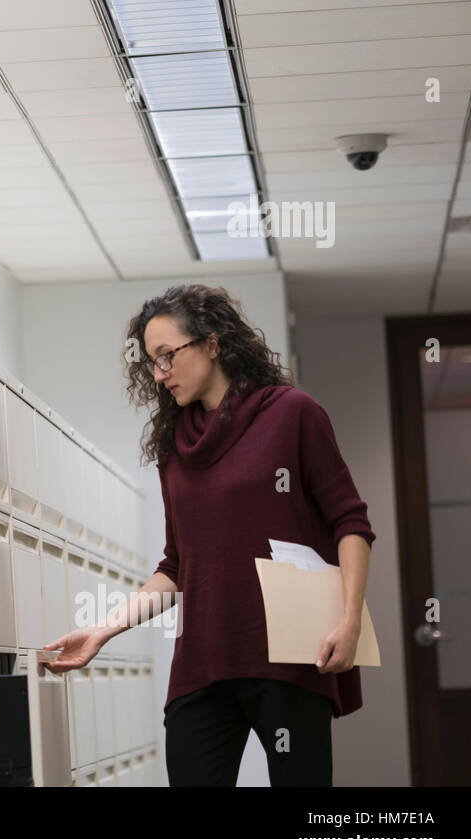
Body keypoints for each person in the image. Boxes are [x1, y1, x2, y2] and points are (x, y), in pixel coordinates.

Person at [43, 284, 375, 786]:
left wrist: (349, 621)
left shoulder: (292, 414)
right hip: (202, 662)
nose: (159, 373)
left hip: (289, 655)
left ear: (214, 344)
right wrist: (102, 630)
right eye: (151, 363)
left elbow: (351, 522)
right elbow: (176, 566)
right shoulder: (174, 448)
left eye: (167, 356)